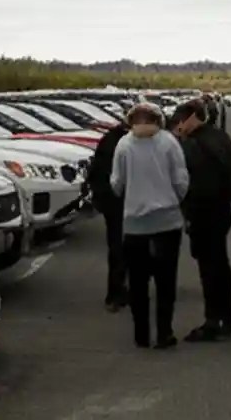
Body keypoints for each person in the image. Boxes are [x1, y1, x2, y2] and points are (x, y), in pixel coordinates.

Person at [110, 102, 190, 349]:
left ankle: (141, 334)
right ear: (159, 120)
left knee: (138, 283)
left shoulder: (123, 144)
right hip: (167, 221)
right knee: (166, 282)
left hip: (135, 223)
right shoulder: (168, 142)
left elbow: (117, 183)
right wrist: (177, 199)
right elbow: (180, 179)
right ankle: (164, 332)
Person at [172, 99, 231, 342]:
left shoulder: (194, 145)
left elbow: (191, 183)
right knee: (221, 265)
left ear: (191, 118)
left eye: (180, 121)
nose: (178, 127)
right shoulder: (220, 137)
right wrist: (230, 196)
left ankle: (212, 321)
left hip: (204, 212)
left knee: (209, 268)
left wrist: (189, 213)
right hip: (222, 210)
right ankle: (227, 319)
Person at [87, 119, 130, 312]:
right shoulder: (126, 143)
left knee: (116, 247)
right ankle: (117, 292)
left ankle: (116, 291)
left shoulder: (109, 139)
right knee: (125, 247)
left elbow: (94, 171)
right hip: (123, 200)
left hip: (111, 201)